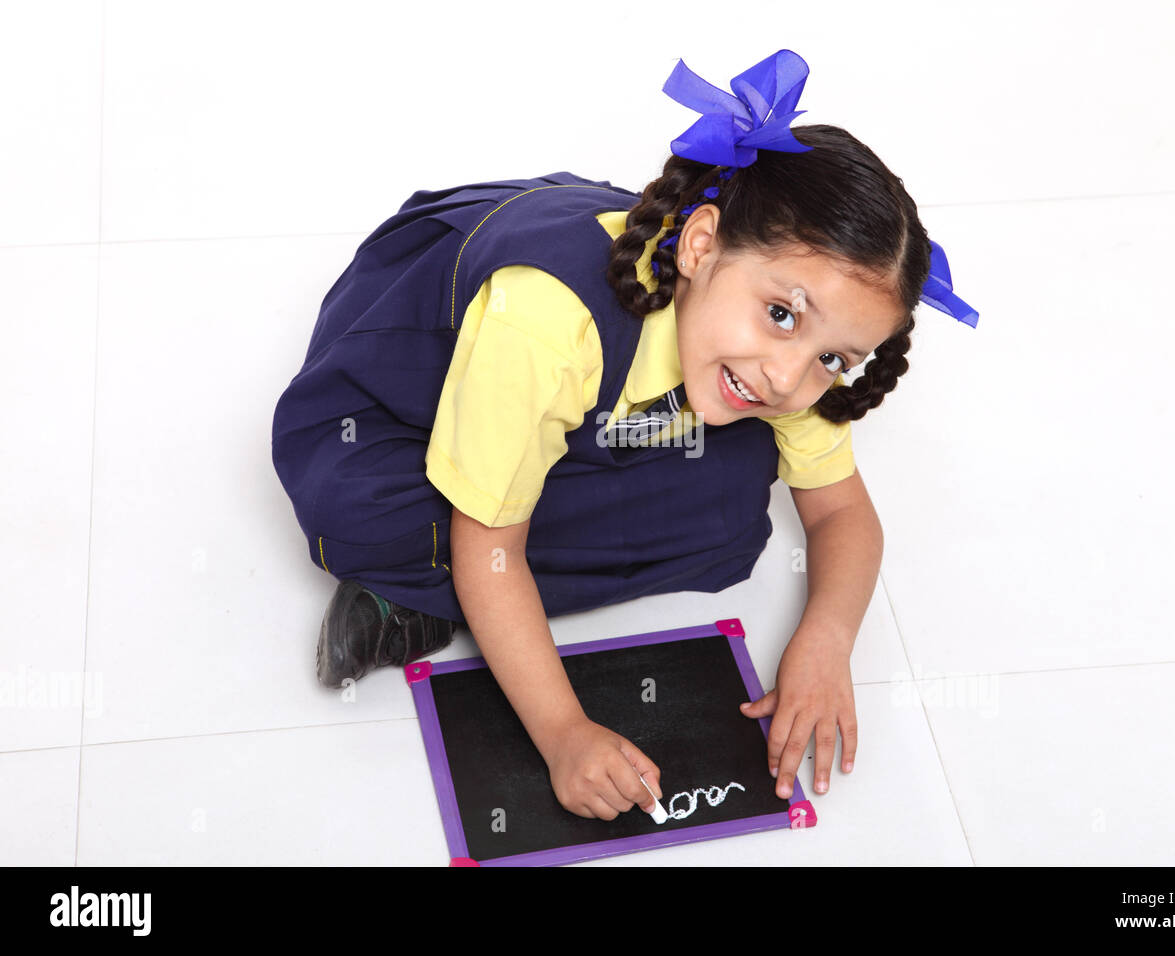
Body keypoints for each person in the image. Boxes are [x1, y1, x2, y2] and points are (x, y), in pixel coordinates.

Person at [270, 49, 978, 823]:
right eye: (781, 314)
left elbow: (841, 512)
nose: (786, 376)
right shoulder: (547, 320)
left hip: (574, 397)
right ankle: (417, 591)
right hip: (408, 397)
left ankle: (511, 542)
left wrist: (826, 638)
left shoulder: (775, 362)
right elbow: (492, 541)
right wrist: (563, 731)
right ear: (700, 246)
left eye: (832, 358)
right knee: (370, 516)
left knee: (734, 511)